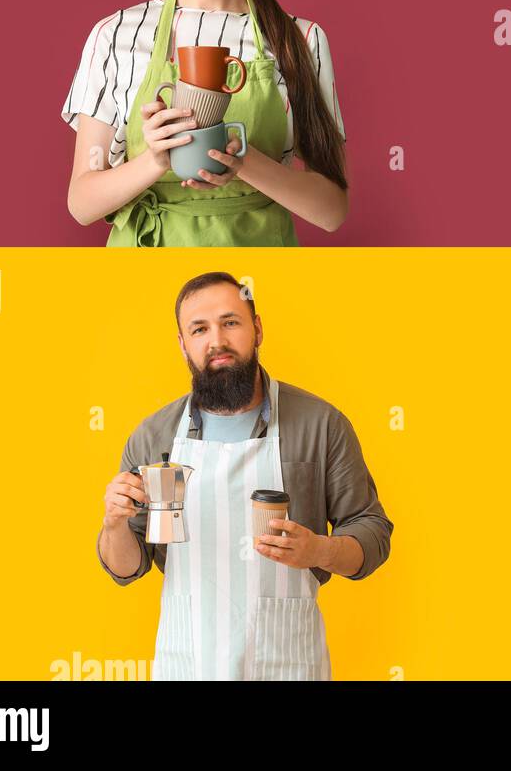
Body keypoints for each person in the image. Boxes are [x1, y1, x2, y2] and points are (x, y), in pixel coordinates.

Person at [98, 272, 392, 681]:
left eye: (230, 322)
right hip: (188, 663)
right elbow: (127, 569)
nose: (216, 340)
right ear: (183, 345)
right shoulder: (153, 436)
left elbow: (373, 533)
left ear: (257, 329)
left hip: (288, 664)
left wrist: (319, 551)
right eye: (199, 329)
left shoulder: (321, 424)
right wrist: (114, 524)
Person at [64, 0, 349, 246]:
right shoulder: (115, 35)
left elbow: (332, 210)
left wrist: (242, 160)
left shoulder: (301, 40)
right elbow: (82, 203)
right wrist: (153, 160)